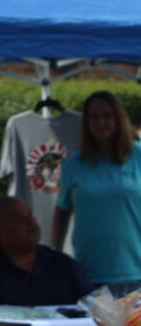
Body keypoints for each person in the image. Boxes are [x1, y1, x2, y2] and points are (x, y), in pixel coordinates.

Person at [54, 90, 141, 284]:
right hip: (89, 274)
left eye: (107, 116)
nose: (100, 123)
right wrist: (55, 253)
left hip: (136, 272)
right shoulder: (74, 163)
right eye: (93, 117)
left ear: (119, 118)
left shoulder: (138, 156)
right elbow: (61, 210)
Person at [0, 197, 93, 305]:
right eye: (20, 219)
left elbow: (93, 306)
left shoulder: (64, 265)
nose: (31, 222)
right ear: (0, 231)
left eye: (30, 216)